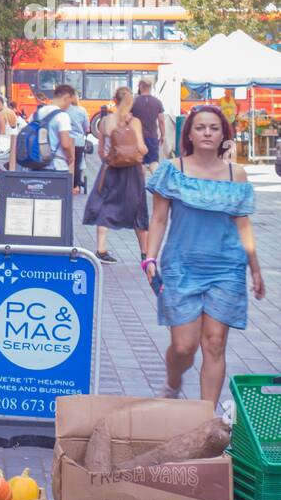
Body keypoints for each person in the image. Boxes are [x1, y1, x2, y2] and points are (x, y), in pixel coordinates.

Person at [144, 104, 265, 406]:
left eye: (214, 127)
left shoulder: (236, 174)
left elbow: (243, 223)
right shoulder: (172, 170)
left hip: (227, 270)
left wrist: (256, 269)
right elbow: (158, 220)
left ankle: (205, 421)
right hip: (181, 267)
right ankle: (173, 381)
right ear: (190, 134)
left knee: (214, 343)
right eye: (200, 128)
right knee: (184, 347)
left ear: (224, 133)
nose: (207, 133)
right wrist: (149, 257)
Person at [83, 87, 150, 264]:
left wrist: (110, 159)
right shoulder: (134, 121)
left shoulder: (105, 121)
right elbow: (142, 148)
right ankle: (144, 252)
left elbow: (100, 149)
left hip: (110, 169)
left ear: (115, 99)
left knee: (104, 205)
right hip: (132, 171)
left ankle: (101, 249)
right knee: (137, 209)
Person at [10, 84, 76, 187]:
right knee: (58, 200)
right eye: (70, 102)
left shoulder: (36, 114)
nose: (69, 106)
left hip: (35, 165)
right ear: (66, 98)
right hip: (56, 167)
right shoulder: (62, 116)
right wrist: (70, 157)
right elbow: (65, 144)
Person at [130, 78, 165, 172]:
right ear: (150, 87)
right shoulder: (157, 102)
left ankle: (141, 184)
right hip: (152, 137)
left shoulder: (134, 102)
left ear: (141, 86)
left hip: (137, 138)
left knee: (140, 163)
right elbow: (161, 120)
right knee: (153, 162)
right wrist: (163, 135)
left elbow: (128, 119)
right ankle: (155, 183)